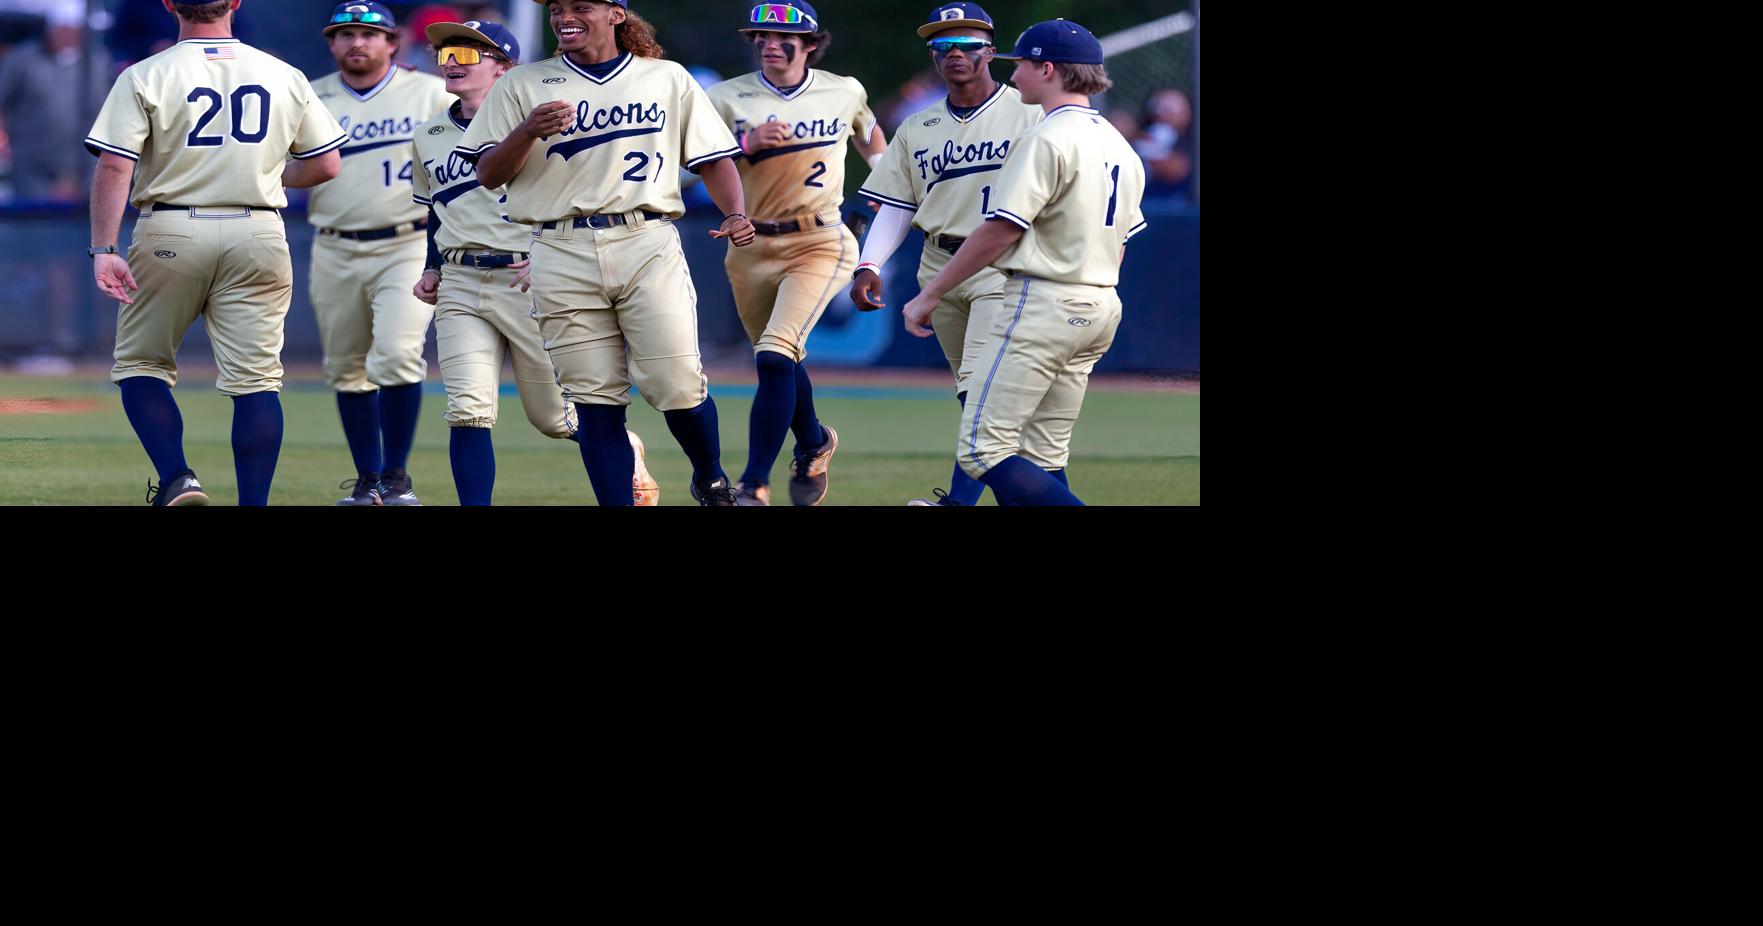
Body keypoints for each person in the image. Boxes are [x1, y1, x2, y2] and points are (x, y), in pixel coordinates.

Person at [457, 0, 757, 507]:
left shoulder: (666, 77)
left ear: (617, 14)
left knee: (677, 383)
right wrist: (527, 130)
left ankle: (709, 476)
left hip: (646, 239)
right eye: (557, 8)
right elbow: (488, 174)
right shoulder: (522, 84)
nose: (564, 16)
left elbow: (713, 157)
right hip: (558, 245)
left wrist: (734, 212)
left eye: (581, 6)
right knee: (595, 403)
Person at [84, 0, 344, 505]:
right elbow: (327, 165)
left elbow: (116, 167)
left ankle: (179, 479)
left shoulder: (146, 73)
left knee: (141, 366)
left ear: (168, 4)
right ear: (236, 3)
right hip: (258, 230)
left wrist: (103, 246)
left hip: (172, 228)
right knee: (257, 383)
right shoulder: (282, 72)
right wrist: (268, 176)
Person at [409, 18, 659, 505]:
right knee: (467, 410)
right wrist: (433, 265)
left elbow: (576, 197)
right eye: (446, 55)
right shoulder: (430, 133)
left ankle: (626, 449)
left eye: (467, 55)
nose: (451, 63)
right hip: (461, 282)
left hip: (528, 277)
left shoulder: (545, 127)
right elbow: (437, 212)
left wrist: (549, 252)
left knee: (553, 418)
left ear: (505, 69)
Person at [900, 19, 1146, 506]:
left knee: (981, 451)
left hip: (1046, 301)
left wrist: (930, 292)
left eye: (1024, 65)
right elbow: (1123, 241)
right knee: (1043, 453)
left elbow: (1002, 228)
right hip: (1100, 302)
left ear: (1048, 69)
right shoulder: (1118, 142)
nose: (1014, 76)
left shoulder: (1045, 137)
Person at [849, 1, 1041, 507]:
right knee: (974, 400)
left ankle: (958, 504)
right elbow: (895, 206)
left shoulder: (1030, 112)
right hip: (938, 260)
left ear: (991, 52)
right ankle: (1031, 492)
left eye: (968, 45)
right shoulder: (918, 126)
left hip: (1005, 262)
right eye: (943, 45)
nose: (955, 53)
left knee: (981, 395)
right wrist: (869, 263)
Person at [704, 1, 886, 507]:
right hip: (748, 242)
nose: (768, 43)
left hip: (819, 238)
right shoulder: (724, 97)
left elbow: (872, 142)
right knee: (780, 361)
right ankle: (812, 441)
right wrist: (746, 143)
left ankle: (753, 482)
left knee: (773, 354)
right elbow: (688, 167)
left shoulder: (843, 90)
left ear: (810, 44)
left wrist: (890, 189)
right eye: (759, 36)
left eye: (781, 36)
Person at [307, 2, 455, 506]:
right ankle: (367, 478)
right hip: (333, 243)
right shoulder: (308, 96)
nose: (357, 43)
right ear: (331, 44)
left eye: (370, 34)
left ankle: (396, 476)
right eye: (345, 34)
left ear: (392, 43)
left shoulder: (429, 92)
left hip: (408, 240)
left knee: (395, 355)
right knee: (345, 367)